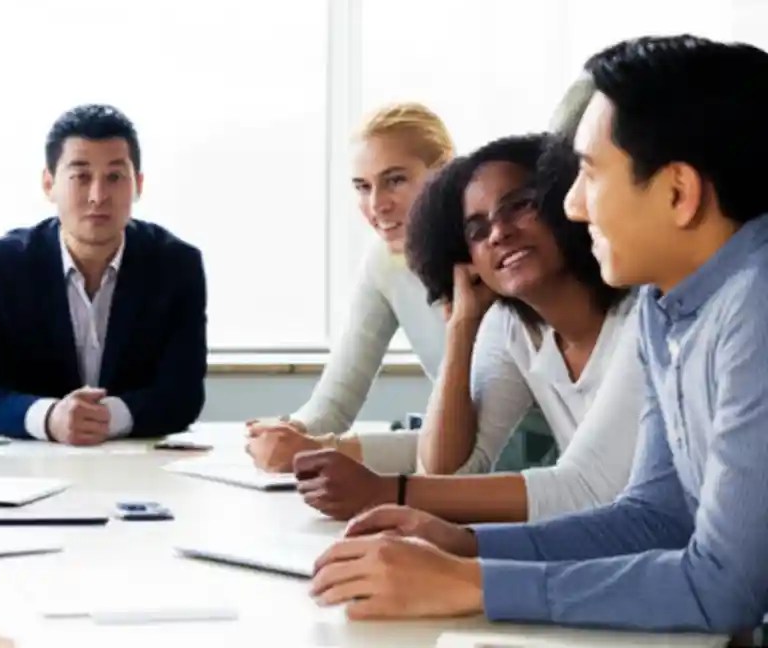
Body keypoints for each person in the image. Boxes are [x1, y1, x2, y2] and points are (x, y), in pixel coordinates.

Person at [310, 35, 768, 638]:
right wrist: (465, 544)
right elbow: (656, 518)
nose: (572, 207)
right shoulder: (666, 306)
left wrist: (471, 583)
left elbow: (723, 588)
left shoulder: (755, 306)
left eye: (588, 175)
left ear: (678, 193)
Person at [292, 134, 642, 525]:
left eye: (520, 206)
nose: (499, 233)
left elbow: (586, 489)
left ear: (563, 202)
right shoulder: (512, 326)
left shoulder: (642, 316)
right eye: (477, 230)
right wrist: (462, 325)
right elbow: (445, 470)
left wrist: (388, 492)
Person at [0, 104, 206, 444]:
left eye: (115, 177)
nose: (98, 196)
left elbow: (183, 395)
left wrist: (106, 417)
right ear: (49, 184)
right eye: (80, 176)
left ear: (138, 184)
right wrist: (50, 418)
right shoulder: (1, 265)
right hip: (32, 466)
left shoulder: (177, 265)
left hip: (136, 465)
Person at [245, 103, 453, 473]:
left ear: (445, 173)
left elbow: (476, 444)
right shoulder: (383, 263)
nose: (377, 206)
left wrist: (322, 449)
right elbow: (333, 406)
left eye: (395, 180)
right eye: (363, 187)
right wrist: (289, 432)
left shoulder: (494, 262)